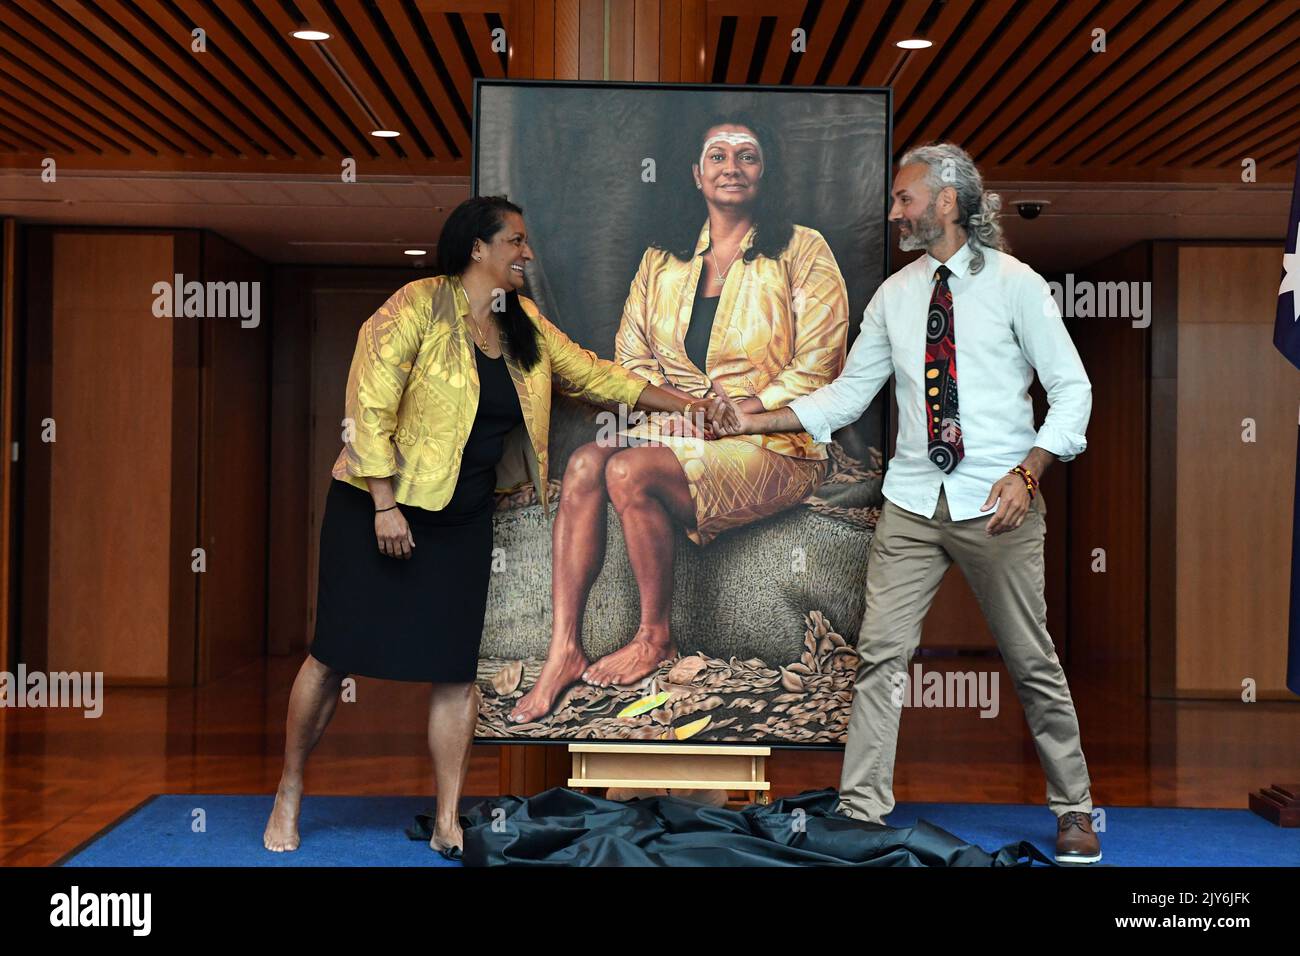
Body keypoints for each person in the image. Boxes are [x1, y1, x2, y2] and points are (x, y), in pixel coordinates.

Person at [262, 196, 733, 856]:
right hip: (375, 509)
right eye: (514, 241)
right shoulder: (415, 307)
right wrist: (384, 504)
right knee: (333, 654)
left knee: (454, 670)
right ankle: (289, 790)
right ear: (476, 248)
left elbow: (595, 374)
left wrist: (694, 406)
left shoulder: (521, 324)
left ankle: (449, 816)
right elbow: (367, 406)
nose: (526, 253)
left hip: (461, 520)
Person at [715, 143, 1101, 864]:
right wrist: (753, 419)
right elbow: (845, 398)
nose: (895, 211)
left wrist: (1029, 471)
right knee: (881, 659)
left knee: (1031, 659)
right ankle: (861, 814)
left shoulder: (1019, 286)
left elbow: (1072, 391)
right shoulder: (895, 296)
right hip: (913, 504)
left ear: (948, 203)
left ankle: (1075, 809)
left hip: (999, 502)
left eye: (906, 199)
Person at [510, 115, 850, 724]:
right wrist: (692, 413)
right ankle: (562, 648)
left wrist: (740, 415)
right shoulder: (660, 262)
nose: (731, 166)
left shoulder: (802, 249)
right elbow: (632, 359)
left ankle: (653, 636)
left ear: (764, 172)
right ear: (697, 175)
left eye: (747, 155)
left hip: (777, 442)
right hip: (682, 426)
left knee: (629, 472)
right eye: (716, 155)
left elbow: (820, 365)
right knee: (587, 461)